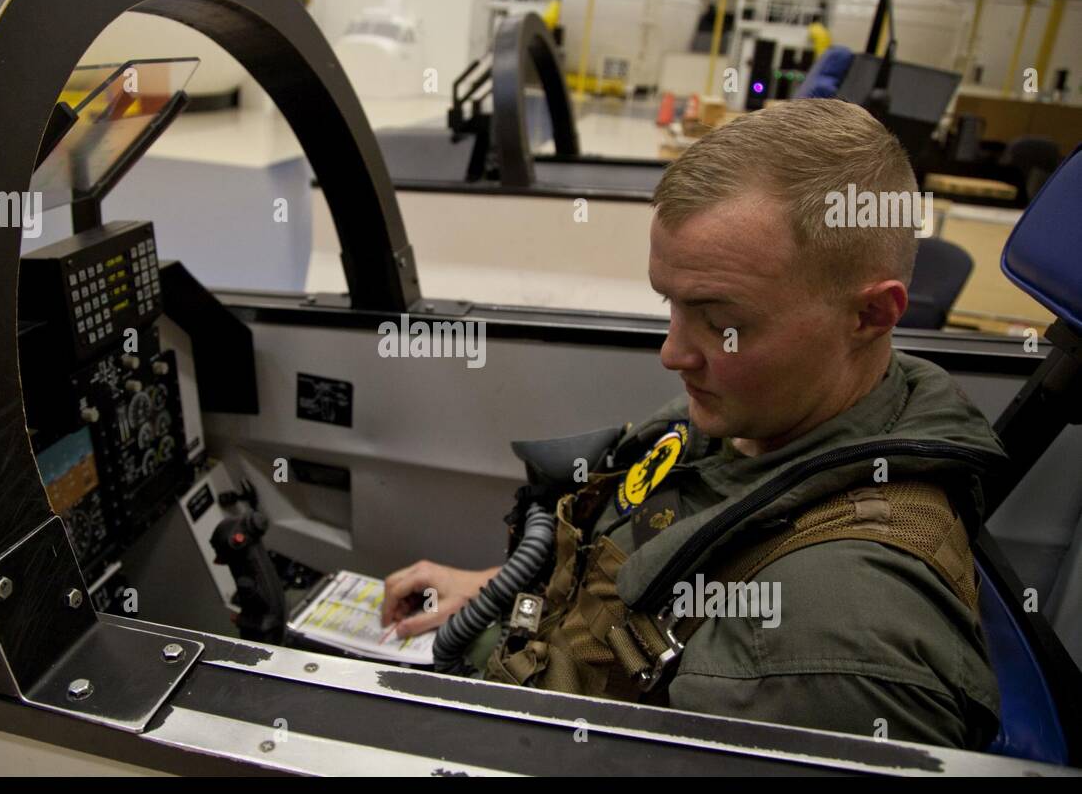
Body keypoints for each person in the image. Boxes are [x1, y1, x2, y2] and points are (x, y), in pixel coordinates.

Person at [381, 99, 1003, 750]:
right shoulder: (762, 414)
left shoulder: (822, 646)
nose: (673, 352)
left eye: (720, 319)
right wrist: (494, 591)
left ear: (870, 317)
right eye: (670, 304)